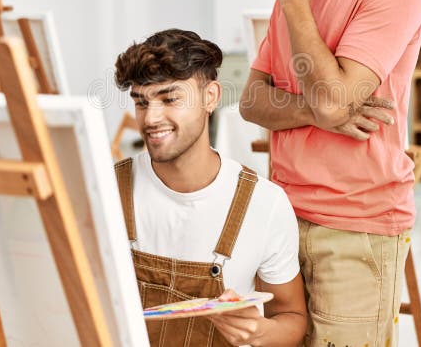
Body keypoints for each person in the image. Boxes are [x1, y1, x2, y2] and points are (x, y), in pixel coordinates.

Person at [239, 0, 421, 347]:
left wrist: (298, 5)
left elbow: (333, 98)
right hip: (282, 216)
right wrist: (320, 110)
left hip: (358, 227)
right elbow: (252, 101)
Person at [113, 28, 306, 347]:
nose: (150, 118)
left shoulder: (264, 203)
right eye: (141, 103)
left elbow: (292, 318)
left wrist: (257, 332)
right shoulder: (108, 190)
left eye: (170, 99)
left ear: (210, 97)